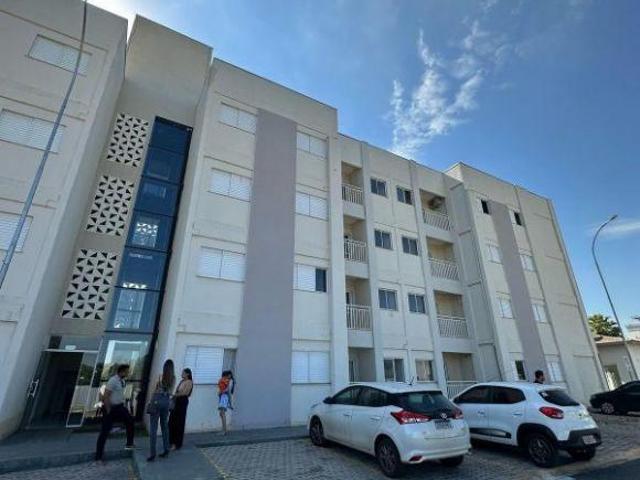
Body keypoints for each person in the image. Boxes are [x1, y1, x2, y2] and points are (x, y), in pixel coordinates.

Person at [95, 364, 136, 462]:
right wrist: (108, 410)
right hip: (111, 408)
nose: (128, 373)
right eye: (127, 371)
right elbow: (106, 395)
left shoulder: (122, 381)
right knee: (105, 431)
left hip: (119, 407)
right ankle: (98, 456)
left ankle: (129, 444)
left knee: (130, 421)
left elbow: (119, 394)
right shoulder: (113, 380)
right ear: (122, 371)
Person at [147, 359, 176, 462]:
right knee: (164, 426)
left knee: (153, 428)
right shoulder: (173, 378)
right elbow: (171, 392)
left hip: (157, 400)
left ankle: (152, 454)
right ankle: (166, 449)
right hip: (166, 401)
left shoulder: (160, 376)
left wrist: (150, 401)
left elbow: (153, 390)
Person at [169, 368, 193, 450]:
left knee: (179, 422)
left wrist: (175, 395)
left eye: (183, 373)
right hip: (176, 401)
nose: (182, 374)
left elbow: (186, 393)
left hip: (182, 402)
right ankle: (170, 441)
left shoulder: (189, 382)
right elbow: (177, 391)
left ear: (187, 374)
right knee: (171, 421)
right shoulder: (181, 381)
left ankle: (176, 443)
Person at [217, 370, 234, 435]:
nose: (229, 376)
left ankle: (224, 431)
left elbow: (228, 391)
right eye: (229, 375)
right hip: (223, 397)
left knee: (222, 413)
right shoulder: (226, 380)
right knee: (221, 414)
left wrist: (230, 403)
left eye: (230, 375)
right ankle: (224, 430)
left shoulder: (227, 381)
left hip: (224, 397)